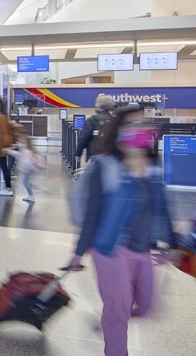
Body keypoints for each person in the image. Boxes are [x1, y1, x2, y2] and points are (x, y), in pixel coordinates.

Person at [69, 106, 177, 356]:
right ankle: (115, 340)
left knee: (147, 305)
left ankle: (110, 317)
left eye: (141, 125)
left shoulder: (152, 166)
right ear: (118, 131)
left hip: (142, 247)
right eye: (130, 126)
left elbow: (162, 207)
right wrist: (78, 251)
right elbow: (92, 213)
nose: (138, 131)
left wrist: (170, 243)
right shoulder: (104, 166)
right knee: (119, 310)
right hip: (108, 248)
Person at [77, 93, 116, 163]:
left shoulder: (92, 120)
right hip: (111, 157)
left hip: (94, 155)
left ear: (99, 105)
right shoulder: (115, 120)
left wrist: (78, 153)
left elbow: (83, 138)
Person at [9, 128, 44, 203]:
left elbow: (22, 158)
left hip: (28, 169)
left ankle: (31, 196)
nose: (20, 140)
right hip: (31, 169)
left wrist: (9, 151)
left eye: (22, 140)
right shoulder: (29, 149)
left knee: (25, 182)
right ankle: (32, 191)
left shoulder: (27, 151)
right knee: (26, 182)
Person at [0, 97, 15, 196]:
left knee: (4, 167)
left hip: (2, 147)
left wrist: (2, 147)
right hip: (1, 146)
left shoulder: (2, 118)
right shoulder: (3, 116)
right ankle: (8, 187)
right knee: (1, 164)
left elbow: (4, 134)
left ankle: (8, 188)